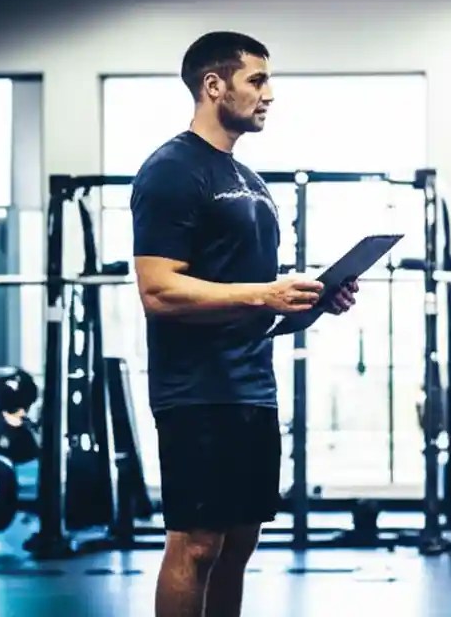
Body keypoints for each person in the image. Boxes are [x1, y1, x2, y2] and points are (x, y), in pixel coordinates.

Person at [131, 31, 359, 617]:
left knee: (238, 544)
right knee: (197, 544)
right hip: (195, 391)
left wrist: (311, 299)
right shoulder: (171, 170)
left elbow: (250, 296)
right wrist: (267, 293)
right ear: (214, 86)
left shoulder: (248, 180)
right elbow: (158, 290)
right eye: (257, 80)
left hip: (252, 387)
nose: (269, 94)